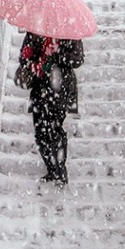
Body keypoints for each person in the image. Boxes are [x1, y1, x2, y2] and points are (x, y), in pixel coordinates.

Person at [14, 32, 84, 185]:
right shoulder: (35, 30)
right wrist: (29, 57)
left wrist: (56, 52)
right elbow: (24, 55)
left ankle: (59, 170)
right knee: (40, 132)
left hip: (60, 88)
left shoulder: (68, 31)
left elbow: (78, 59)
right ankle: (52, 169)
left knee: (55, 129)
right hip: (40, 88)